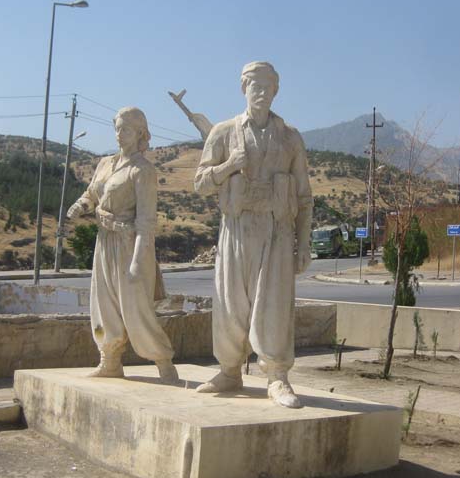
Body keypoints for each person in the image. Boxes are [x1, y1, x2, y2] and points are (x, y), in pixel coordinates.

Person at [193, 61, 313, 408]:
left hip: (277, 230)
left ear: (276, 91)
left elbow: (304, 197)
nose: (261, 93)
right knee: (230, 304)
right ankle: (229, 370)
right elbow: (200, 183)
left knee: (274, 305)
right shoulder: (224, 132)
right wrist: (229, 165)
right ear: (243, 89)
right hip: (237, 227)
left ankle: (277, 377)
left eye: (267, 87)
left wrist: (303, 243)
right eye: (254, 86)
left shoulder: (290, 138)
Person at [66, 107, 179, 385]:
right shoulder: (106, 163)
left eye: (126, 129)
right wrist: (82, 205)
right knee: (103, 303)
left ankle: (164, 362)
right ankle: (110, 360)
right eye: (117, 128)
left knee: (136, 307)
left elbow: (146, 221)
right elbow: (92, 192)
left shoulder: (143, 170)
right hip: (104, 241)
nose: (119, 134)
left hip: (130, 243)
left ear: (140, 133)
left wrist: (140, 258)